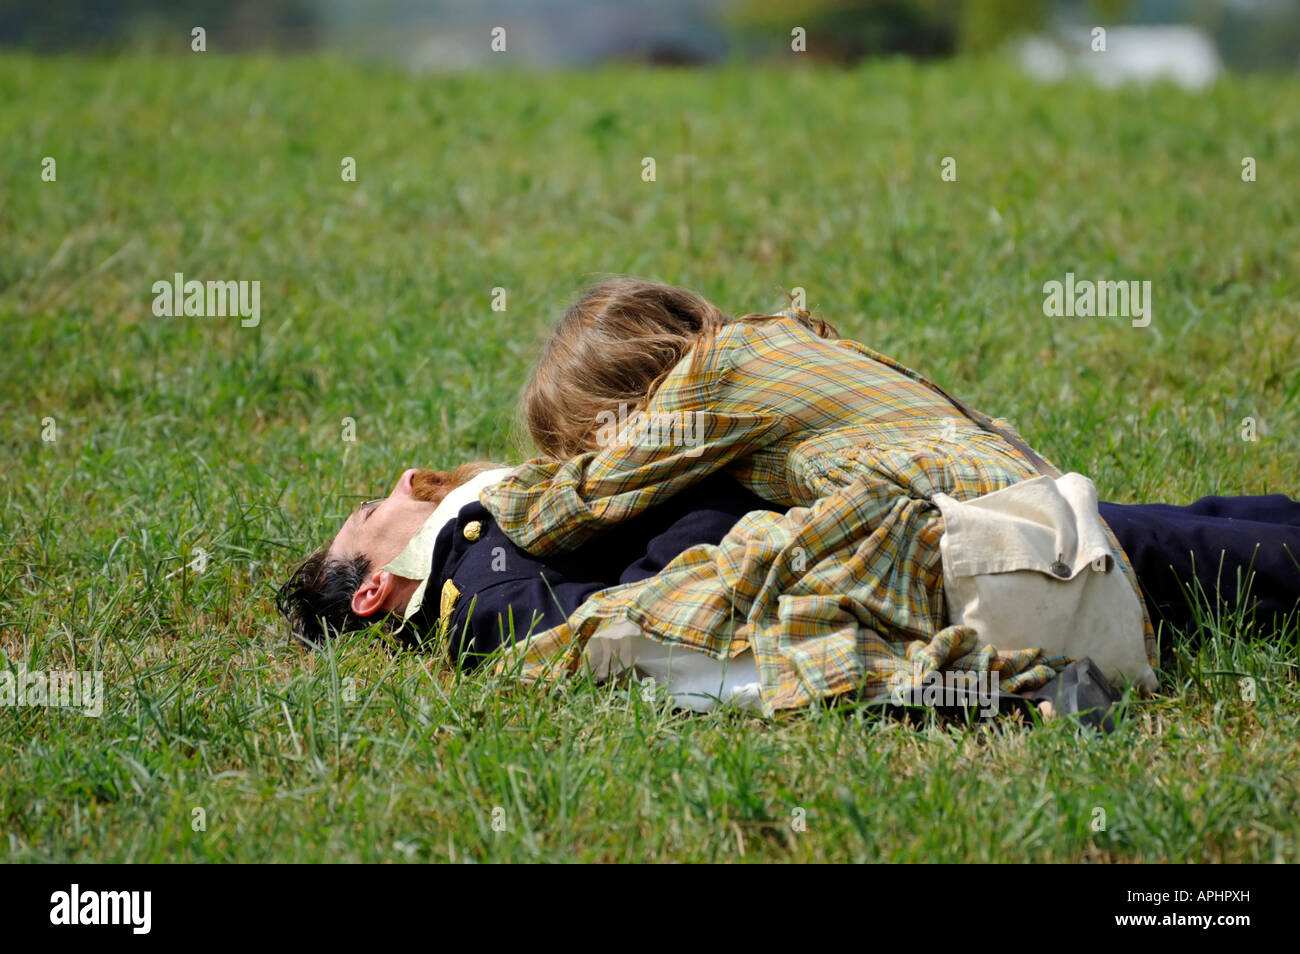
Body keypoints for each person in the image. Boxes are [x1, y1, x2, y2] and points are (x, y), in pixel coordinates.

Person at [478, 278, 1300, 716]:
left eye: (589, 431)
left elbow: (580, 505)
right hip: (1025, 491)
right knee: (1193, 538)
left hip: (970, 526)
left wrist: (486, 497)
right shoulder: (778, 344)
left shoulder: (709, 383)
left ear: (624, 397)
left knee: (1203, 565)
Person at [275, 462, 789, 708]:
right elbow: (639, 621)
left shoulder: (479, 540)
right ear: (373, 589)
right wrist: (725, 493)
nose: (406, 476)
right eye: (370, 511)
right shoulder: (480, 598)